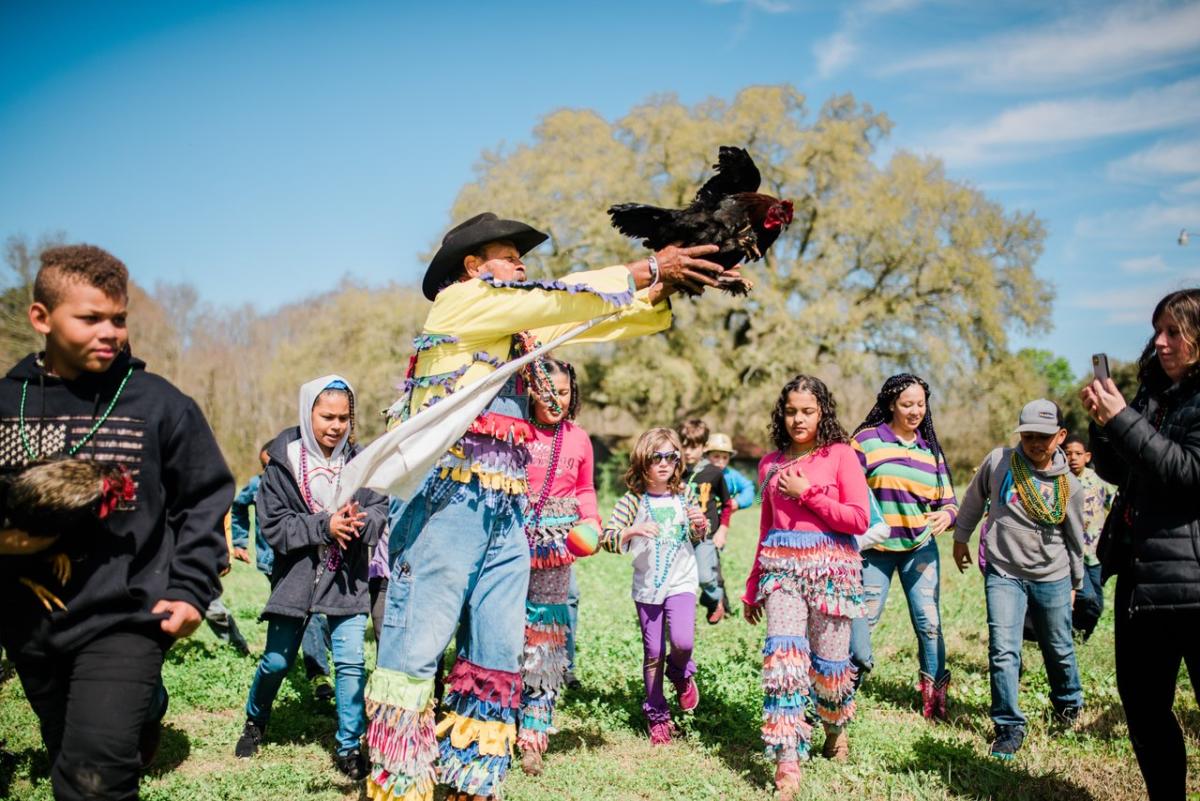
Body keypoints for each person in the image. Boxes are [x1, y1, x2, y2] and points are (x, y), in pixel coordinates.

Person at [367, 212, 734, 801]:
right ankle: (398, 782)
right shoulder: (460, 304)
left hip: (506, 508)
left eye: (522, 258)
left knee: (495, 650)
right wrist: (645, 267)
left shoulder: (521, 333)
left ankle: (471, 782)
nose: (522, 265)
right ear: (473, 266)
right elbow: (555, 297)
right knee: (417, 646)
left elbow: (584, 318)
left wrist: (660, 290)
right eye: (509, 255)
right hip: (446, 503)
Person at [0, 244, 234, 801]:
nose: (110, 331)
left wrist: (192, 589)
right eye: (90, 318)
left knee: (97, 780)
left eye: (119, 318)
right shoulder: (7, 403)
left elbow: (203, 498)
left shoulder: (158, 404)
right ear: (42, 318)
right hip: (28, 620)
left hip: (125, 614)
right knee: (67, 758)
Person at [234, 375, 388, 779]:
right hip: (296, 578)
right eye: (327, 417)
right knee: (276, 662)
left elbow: (379, 509)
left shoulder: (361, 460)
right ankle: (256, 720)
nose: (336, 426)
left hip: (347, 579)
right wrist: (325, 526)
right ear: (308, 413)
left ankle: (349, 746)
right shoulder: (283, 462)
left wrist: (360, 522)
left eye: (343, 418)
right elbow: (275, 526)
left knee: (352, 662)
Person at [1081, 288, 1200, 800]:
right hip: (1141, 579)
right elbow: (1120, 469)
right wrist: (1105, 425)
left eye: (1174, 331)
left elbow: (1188, 474)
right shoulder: (1153, 394)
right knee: (1144, 708)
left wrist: (1123, 421)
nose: (1160, 341)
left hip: (1195, 585)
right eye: (1158, 330)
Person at [742, 375, 869, 799]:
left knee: (831, 667)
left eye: (808, 411)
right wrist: (751, 585)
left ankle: (835, 728)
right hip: (782, 572)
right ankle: (788, 764)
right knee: (785, 663)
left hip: (832, 571)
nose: (798, 418)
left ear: (822, 413)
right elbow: (765, 528)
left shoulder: (841, 456)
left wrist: (808, 492)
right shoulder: (769, 464)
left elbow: (858, 519)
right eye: (792, 410)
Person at [952, 399, 1085, 760]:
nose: (1035, 443)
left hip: (1051, 575)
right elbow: (974, 500)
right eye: (1028, 435)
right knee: (1003, 648)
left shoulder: (1070, 486)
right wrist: (961, 537)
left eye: (1043, 436)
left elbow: (1075, 538)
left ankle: (1069, 704)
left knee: (1057, 646)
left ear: (1059, 436)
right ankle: (1008, 726)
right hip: (1004, 571)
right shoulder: (999, 462)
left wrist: (1075, 583)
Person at [848, 374, 958, 719]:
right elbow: (846, 487)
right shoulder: (865, 441)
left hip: (920, 549)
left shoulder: (930, 449)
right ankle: (841, 695)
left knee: (929, 622)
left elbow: (949, 501)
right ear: (891, 404)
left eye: (920, 404)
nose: (914, 411)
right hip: (873, 551)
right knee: (865, 620)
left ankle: (934, 704)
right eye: (907, 404)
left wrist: (948, 516)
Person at [518, 358, 599, 774]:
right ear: (529, 390)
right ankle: (496, 723)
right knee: (504, 635)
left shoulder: (580, 439)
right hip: (509, 545)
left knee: (545, 638)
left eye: (564, 392)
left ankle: (534, 732)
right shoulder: (512, 431)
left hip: (556, 549)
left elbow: (584, 488)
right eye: (547, 390)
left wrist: (592, 523)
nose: (555, 399)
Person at [601, 428, 707, 744]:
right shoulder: (632, 501)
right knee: (653, 651)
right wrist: (631, 531)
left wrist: (700, 526)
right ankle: (657, 714)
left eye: (671, 457)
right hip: (647, 587)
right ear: (643, 460)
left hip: (682, 581)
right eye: (656, 457)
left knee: (682, 642)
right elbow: (606, 538)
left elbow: (698, 535)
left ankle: (679, 672)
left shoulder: (685, 495)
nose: (664, 464)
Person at [231, 444, 335, 699]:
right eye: (265, 467)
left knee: (311, 613)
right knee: (305, 614)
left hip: (303, 559)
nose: (269, 472)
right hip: (272, 562)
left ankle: (323, 659)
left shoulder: (300, 485)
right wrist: (239, 541)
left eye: (274, 466)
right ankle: (312, 669)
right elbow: (238, 506)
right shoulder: (257, 485)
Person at [678, 419, 733, 624]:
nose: (688, 451)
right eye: (684, 445)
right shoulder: (674, 471)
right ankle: (681, 621)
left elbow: (727, 504)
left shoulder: (714, 473)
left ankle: (714, 600)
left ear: (703, 447)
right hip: (680, 536)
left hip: (706, 535)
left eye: (693, 446)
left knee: (704, 577)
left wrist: (723, 530)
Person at [1062, 433, 1113, 638]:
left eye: (1078, 453)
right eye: (1067, 453)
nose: (1073, 458)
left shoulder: (1100, 480)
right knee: (1087, 596)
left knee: (1097, 605)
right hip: (1072, 551)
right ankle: (1066, 631)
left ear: (1088, 456)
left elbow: (1114, 503)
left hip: (1096, 553)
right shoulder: (1060, 481)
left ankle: (1079, 635)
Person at [705, 432, 756, 513]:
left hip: (721, 521)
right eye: (716, 456)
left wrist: (738, 502)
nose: (721, 461)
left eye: (725, 457)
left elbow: (748, 487)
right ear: (706, 456)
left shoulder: (732, 475)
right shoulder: (700, 473)